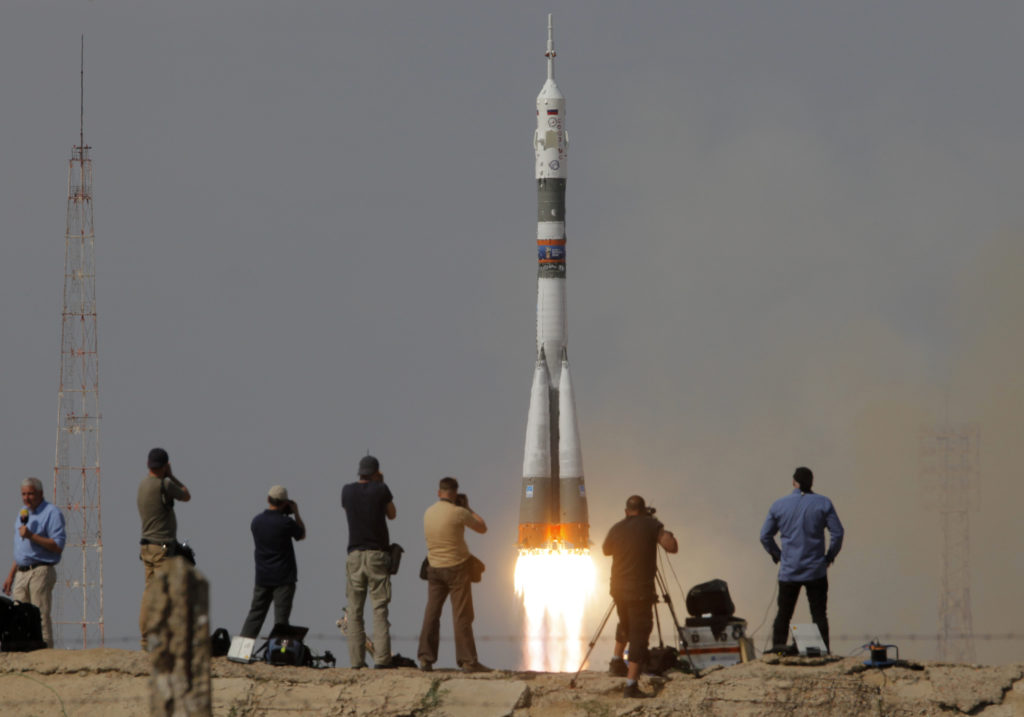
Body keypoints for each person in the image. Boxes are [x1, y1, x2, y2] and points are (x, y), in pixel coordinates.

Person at [760, 466, 844, 652]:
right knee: (819, 614)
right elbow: (837, 533)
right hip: (816, 570)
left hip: (789, 571)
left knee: (783, 614)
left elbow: (765, 536)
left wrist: (778, 555)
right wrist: (829, 557)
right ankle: (824, 653)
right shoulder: (824, 503)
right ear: (812, 482)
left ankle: (777, 651)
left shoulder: (778, 505)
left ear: (793, 482)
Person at [602, 494, 678, 699]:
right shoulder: (651, 525)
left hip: (617, 589)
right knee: (639, 633)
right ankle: (631, 685)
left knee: (625, 624)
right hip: (639, 591)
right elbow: (672, 547)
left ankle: (616, 661)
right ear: (644, 510)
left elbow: (605, 550)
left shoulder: (617, 528)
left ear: (627, 511)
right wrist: (663, 532)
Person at [417, 476, 491, 673]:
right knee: (461, 615)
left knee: (432, 613)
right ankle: (468, 661)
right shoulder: (459, 513)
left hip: (434, 569)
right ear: (455, 493)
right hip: (457, 569)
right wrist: (468, 508)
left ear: (439, 493)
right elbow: (482, 527)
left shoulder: (428, 513)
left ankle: (425, 658)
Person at [341, 455, 397, 668]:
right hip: (377, 555)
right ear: (376, 472)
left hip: (354, 555)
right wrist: (380, 484)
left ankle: (356, 661)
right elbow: (392, 514)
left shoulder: (347, 491)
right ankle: (382, 659)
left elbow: (350, 511)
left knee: (354, 610)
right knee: (379, 608)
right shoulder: (381, 490)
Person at [137, 447, 191, 648]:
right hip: (162, 548)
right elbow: (186, 495)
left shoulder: (143, 485)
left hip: (147, 547)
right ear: (165, 465)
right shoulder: (164, 485)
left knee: (149, 593)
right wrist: (172, 476)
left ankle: (145, 639)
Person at [3, 477, 66, 648]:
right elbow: (22, 551)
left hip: (41, 570)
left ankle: (45, 654)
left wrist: (32, 536)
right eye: (24, 494)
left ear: (40, 493)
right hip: (21, 573)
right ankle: (22, 654)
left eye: (30, 493)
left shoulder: (51, 513)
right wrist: (10, 575)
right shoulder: (22, 514)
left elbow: (57, 546)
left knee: (40, 615)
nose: (27, 498)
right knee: (17, 616)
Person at [239, 485, 306, 638]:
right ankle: (277, 653)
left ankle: (240, 652)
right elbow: (301, 534)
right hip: (283, 578)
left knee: (255, 615)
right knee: (281, 621)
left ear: (268, 499)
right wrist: (295, 512)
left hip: (262, 576)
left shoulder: (256, 522)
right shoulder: (285, 523)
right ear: (284, 503)